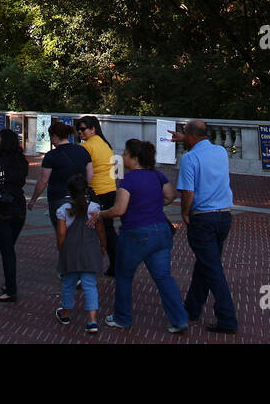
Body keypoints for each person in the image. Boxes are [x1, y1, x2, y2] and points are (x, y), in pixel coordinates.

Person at [97, 139, 188, 333]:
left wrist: (101, 214)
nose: (122, 157)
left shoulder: (129, 179)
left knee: (124, 276)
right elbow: (171, 195)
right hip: (161, 232)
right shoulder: (157, 175)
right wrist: (153, 205)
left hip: (135, 233)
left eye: (125, 154)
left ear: (134, 158)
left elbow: (120, 209)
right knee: (164, 277)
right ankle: (179, 319)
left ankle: (122, 318)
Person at [176, 119, 238, 334]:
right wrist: (187, 136)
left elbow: (188, 192)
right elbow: (198, 139)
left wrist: (184, 212)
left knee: (211, 268)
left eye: (184, 134)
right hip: (224, 216)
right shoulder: (220, 152)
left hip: (202, 218)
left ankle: (227, 317)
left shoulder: (189, 159)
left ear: (191, 136)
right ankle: (192, 308)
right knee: (206, 264)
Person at [54, 173, 107, 335]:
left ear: (69, 191)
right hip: (90, 250)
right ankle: (92, 320)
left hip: (70, 250)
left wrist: (61, 249)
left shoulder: (63, 209)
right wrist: (103, 246)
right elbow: (101, 230)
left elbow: (61, 233)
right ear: (86, 190)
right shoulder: (94, 209)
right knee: (90, 284)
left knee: (68, 282)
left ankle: (66, 312)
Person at [0, 128, 29, 303]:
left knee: (7, 251)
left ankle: (11, 289)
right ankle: (9, 284)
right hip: (19, 207)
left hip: (2, 208)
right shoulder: (22, 161)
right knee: (9, 247)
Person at [76, 115, 118, 276]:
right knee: (108, 228)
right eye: (78, 129)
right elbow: (115, 168)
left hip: (96, 192)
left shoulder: (86, 147)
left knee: (95, 229)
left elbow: (83, 171)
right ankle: (115, 262)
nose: (80, 132)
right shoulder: (105, 144)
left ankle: (102, 263)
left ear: (93, 129)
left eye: (83, 129)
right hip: (110, 190)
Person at [28, 120, 92, 219]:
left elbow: (43, 181)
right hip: (80, 198)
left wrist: (33, 200)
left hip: (58, 198)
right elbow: (90, 175)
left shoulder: (51, 156)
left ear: (55, 136)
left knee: (61, 230)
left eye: (50, 136)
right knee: (78, 229)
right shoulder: (83, 151)